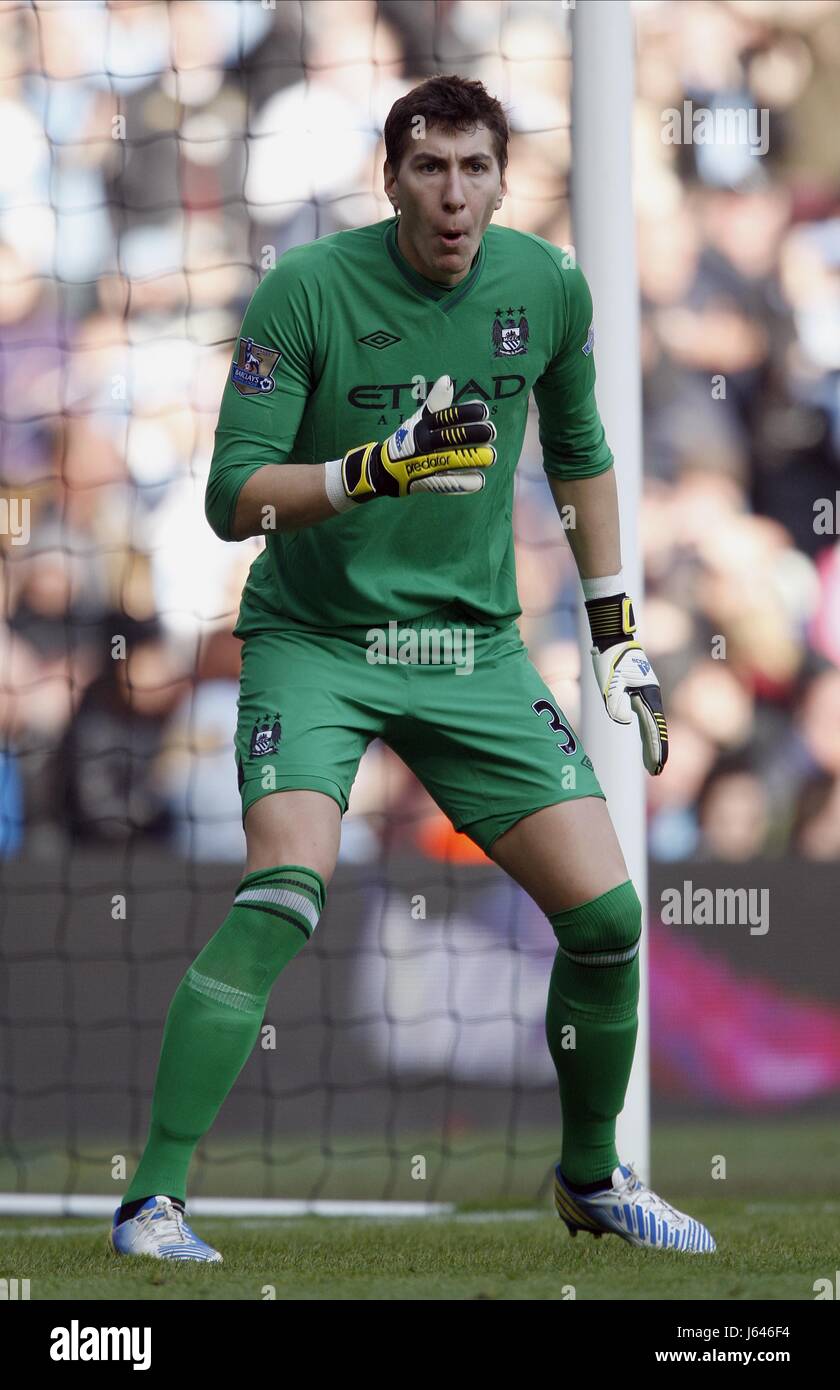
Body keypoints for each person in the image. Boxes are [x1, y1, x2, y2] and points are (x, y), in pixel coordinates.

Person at [111, 74, 714, 1262]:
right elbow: (233, 497)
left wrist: (616, 630)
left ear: (503, 178)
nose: (453, 196)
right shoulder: (306, 290)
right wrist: (365, 472)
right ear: (390, 178)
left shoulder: (546, 286)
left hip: (469, 646)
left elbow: (582, 455)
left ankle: (591, 1180)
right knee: (286, 888)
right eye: (429, 169)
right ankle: (154, 1200)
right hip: (316, 644)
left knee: (607, 918)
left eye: (475, 168)